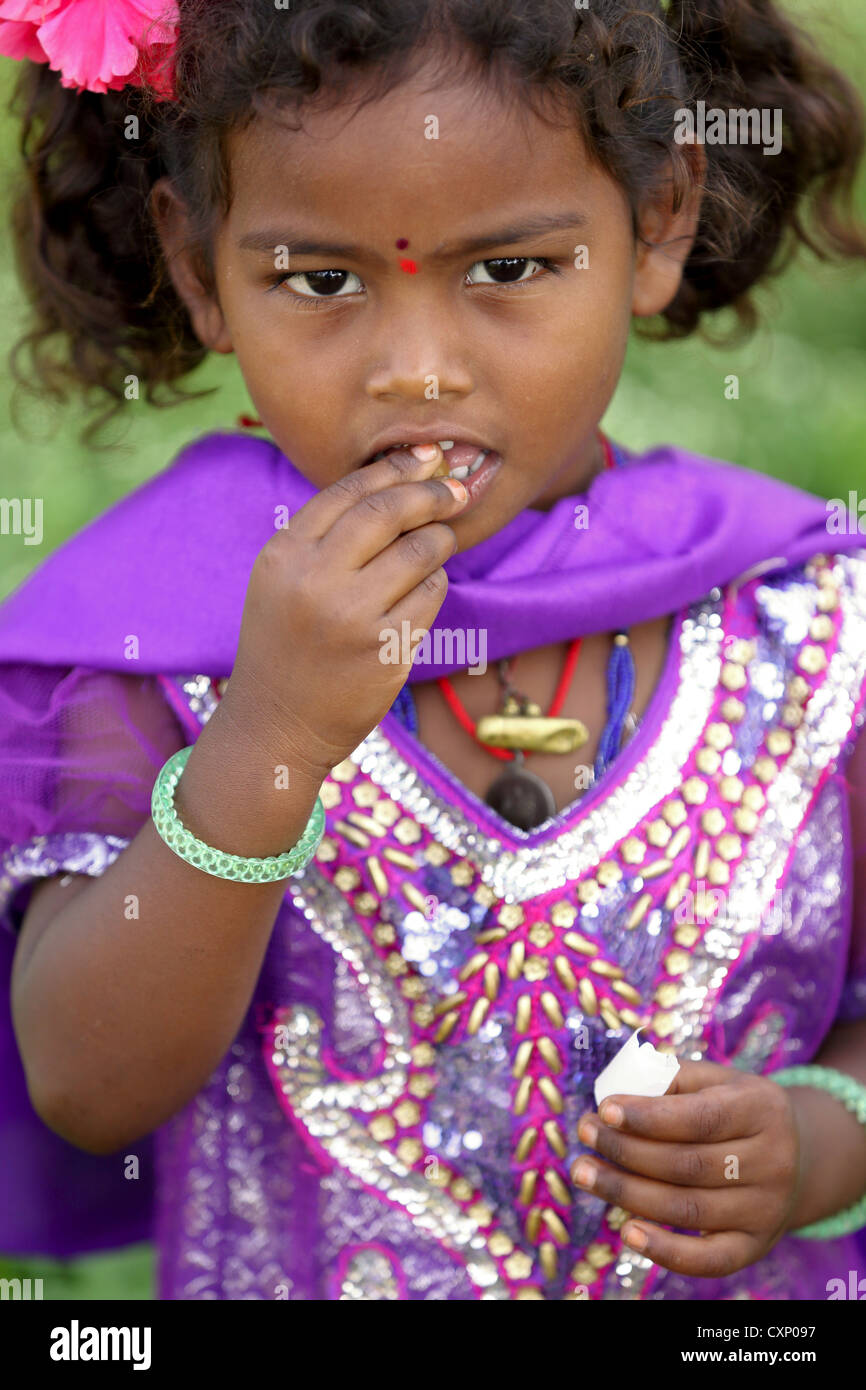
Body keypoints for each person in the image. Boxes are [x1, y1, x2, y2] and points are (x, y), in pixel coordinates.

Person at [0, 0, 865, 1301]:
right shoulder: (148, 631)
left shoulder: (807, 615)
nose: (415, 372)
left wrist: (817, 1136)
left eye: (508, 269)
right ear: (198, 268)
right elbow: (88, 1080)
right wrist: (270, 740)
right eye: (320, 280)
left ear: (659, 220)